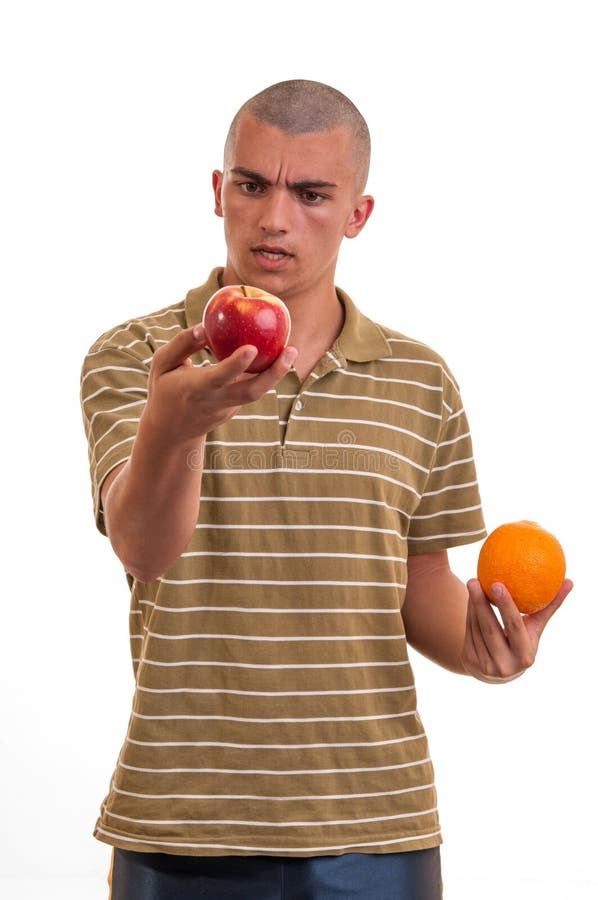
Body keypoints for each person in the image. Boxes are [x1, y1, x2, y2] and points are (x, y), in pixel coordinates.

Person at [81, 79, 571, 900]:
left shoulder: (421, 381)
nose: (276, 218)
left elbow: (419, 592)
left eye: (311, 194)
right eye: (252, 185)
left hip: (379, 830)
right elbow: (145, 549)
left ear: (357, 213)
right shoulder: (138, 358)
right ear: (218, 192)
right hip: (181, 824)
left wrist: (490, 649)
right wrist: (176, 425)